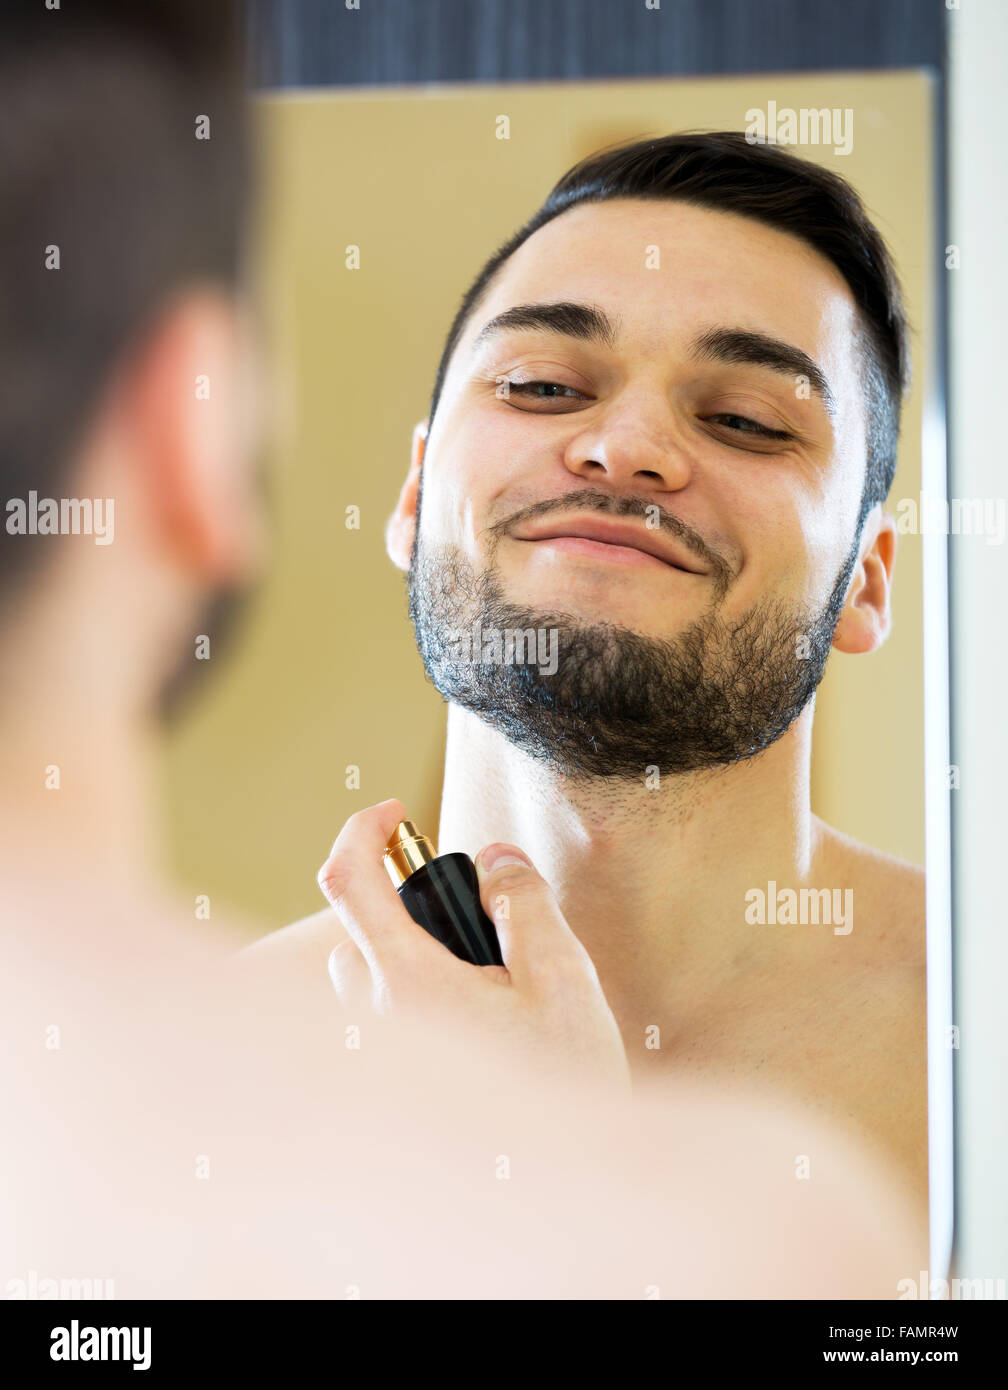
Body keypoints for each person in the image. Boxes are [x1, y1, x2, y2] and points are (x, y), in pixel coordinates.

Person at [253, 133, 928, 1218]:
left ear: (866, 581)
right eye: (541, 385)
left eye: (747, 420)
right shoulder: (186, 1092)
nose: (626, 447)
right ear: (418, 492)